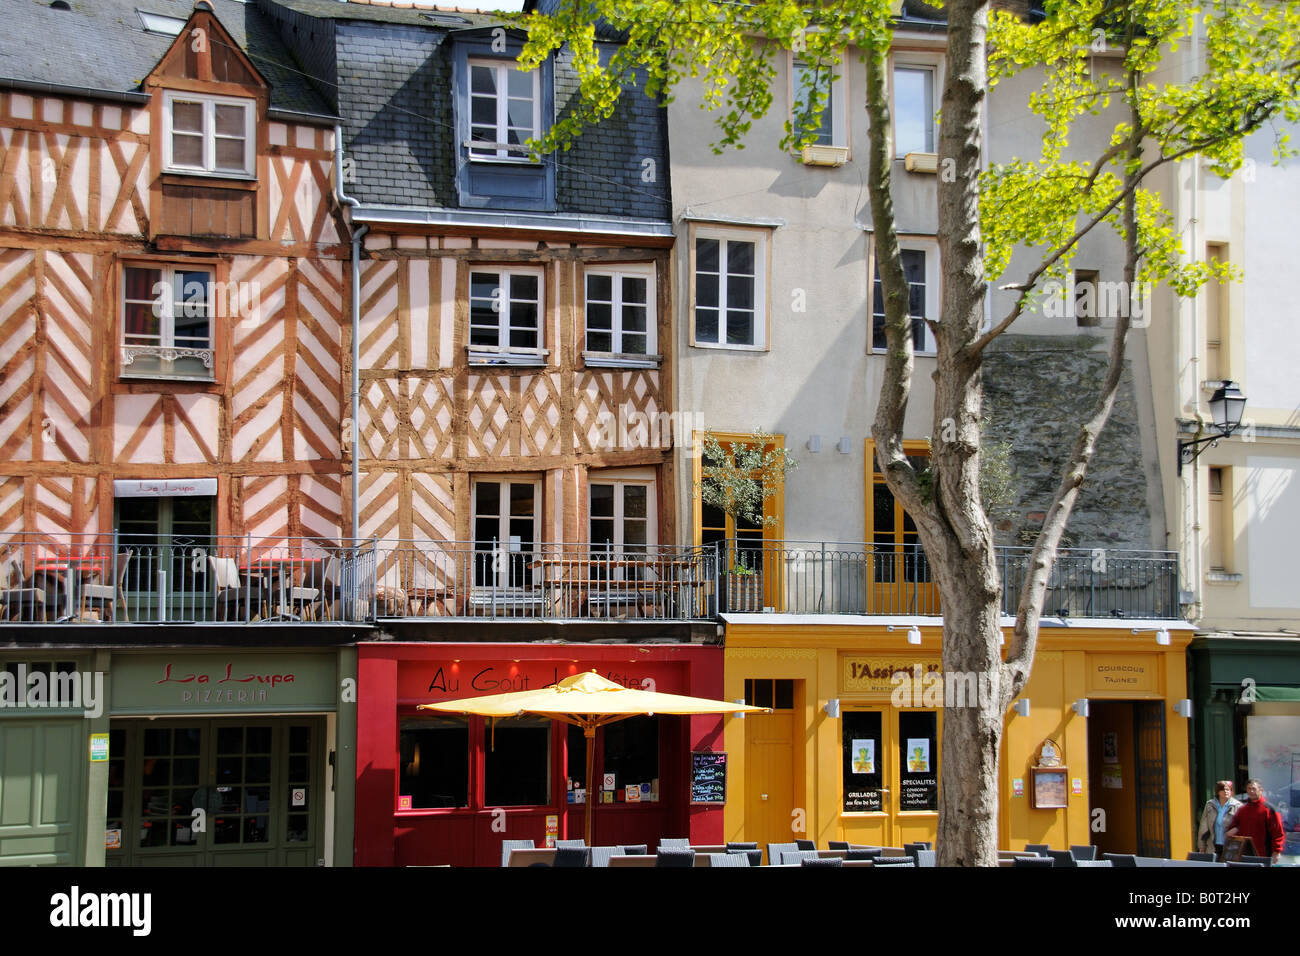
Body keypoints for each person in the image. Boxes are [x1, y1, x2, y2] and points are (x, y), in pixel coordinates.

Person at [1226, 778, 1285, 864]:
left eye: (1254, 788)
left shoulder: (1269, 809)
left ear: (1261, 790)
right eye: (1249, 789)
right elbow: (1233, 828)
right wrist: (1234, 830)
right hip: (1244, 855)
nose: (1251, 791)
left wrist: (1277, 851)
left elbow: (1278, 832)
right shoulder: (1242, 810)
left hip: (1263, 854)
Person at [1197, 780, 1241, 858]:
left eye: (1228, 789)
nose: (1225, 791)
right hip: (1213, 845)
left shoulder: (1238, 806)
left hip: (1230, 846)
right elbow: (1203, 826)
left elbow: (1241, 825)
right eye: (1222, 789)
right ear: (1218, 791)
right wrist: (1201, 845)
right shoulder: (1210, 805)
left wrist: (1236, 829)